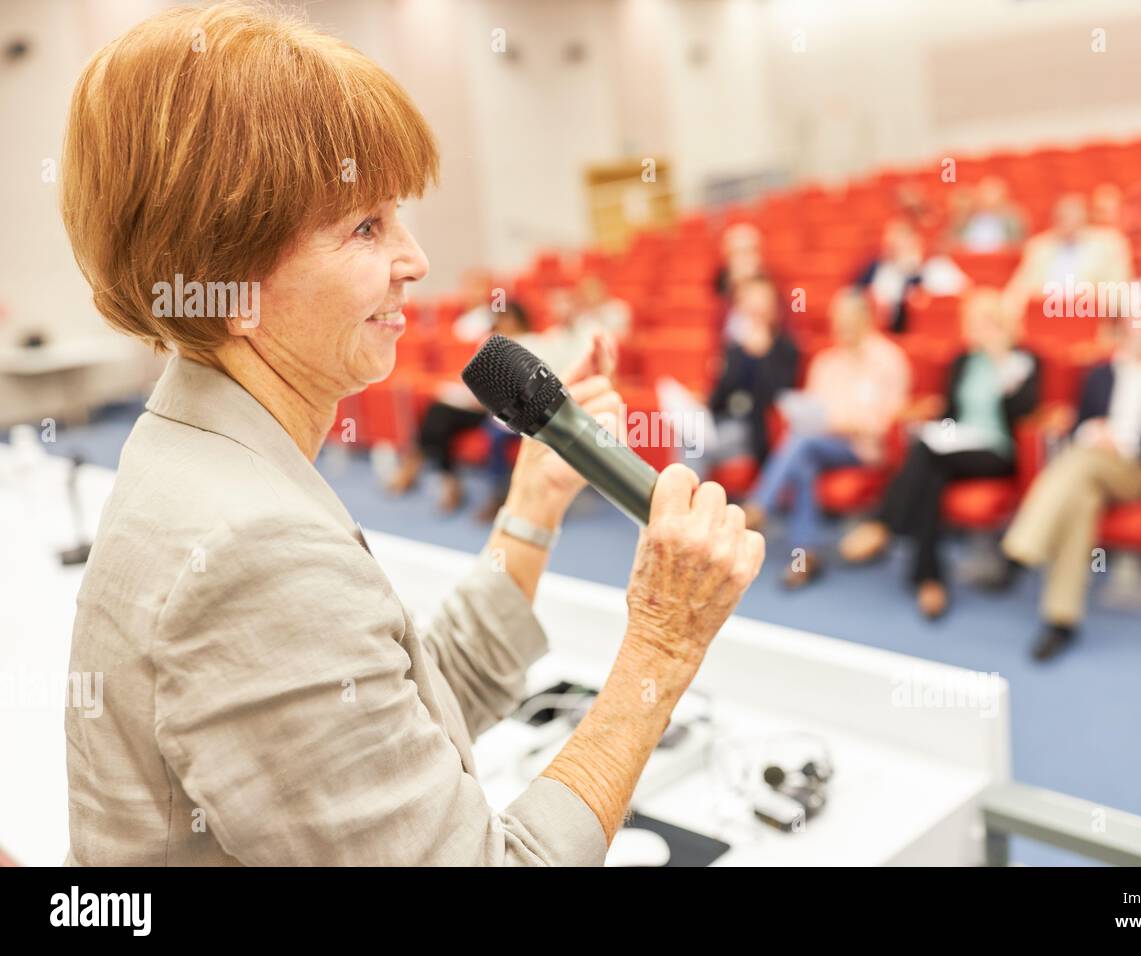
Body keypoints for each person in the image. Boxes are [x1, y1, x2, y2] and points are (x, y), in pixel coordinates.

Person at [58, 1, 763, 866]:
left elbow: (392, 724)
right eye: (366, 227)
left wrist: (532, 511)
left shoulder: (197, 454)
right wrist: (663, 645)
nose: (416, 260)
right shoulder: (249, 552)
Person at [995, 280, 1141, 662]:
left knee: (1077, 462)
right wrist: (1096, 432)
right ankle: (1061, 620)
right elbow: (1081, 422)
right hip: (1093, 468)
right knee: (1080, 498)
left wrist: (1121, 443)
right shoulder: (1101, 371)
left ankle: (1019, 551)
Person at [839, 288, 1040, 619]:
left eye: (982, 323)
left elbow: (1023, 414)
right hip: (955, 447)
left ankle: (884, 524)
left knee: (928, 455)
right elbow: (949, 411)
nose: (975, 329)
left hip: (997, 450)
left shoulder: (1023, 361)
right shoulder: (963, 361)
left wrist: (1003, 366)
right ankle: (929, 579)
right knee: (931, 475)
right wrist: (940, 430)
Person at [743, 288, 910, 588]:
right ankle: (804, 555)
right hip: (821, 444)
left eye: (847, 320)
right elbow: (813, 408)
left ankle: (758, 508)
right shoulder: (826, 362)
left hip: (865, 447)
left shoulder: (888, 360)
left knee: (801, 444)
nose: (841, 327)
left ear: (866, 318)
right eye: (837, 320)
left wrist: (842, 423)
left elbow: (888, 420)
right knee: (803, 454)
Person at [387, 300, 529, 509]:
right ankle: (446, 479)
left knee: (440, 416)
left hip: (502, 410)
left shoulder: (530, 344)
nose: (502, 323)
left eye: (506, 318)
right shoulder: (492, 343)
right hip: (478, 405)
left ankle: (422, 467)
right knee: (438, 414)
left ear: (518, 320)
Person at [691, 276, 799, 478]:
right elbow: (721, 396)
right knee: (689, 437)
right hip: (725, 422)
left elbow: (775, 396)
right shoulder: (735, 348)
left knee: (694, 446)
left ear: (774, 309)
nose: (755, 312)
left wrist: (762, 355)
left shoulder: (786, 349)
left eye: (761, 305)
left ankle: (683, 502)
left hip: (756, 429)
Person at [1004, 193, 1133, 315]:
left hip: (1088, 316)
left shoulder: (1110, 243)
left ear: (1086, 216)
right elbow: (1018, 290)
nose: (1068, 221)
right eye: (1062, 216)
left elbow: (1118, 289)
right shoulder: (1039, 246)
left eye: (1073, 215)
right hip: (1042, 314)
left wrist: (1084, 306)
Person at [953, 176, 1027, 253]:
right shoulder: (966, 218)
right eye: (984, 194)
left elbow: (1018, 244)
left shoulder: (1012, 218)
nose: (988, 199)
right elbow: (951, 243)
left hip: (1000, 260)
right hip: (968, 260)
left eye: (993, 194)